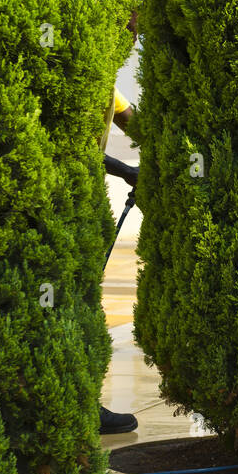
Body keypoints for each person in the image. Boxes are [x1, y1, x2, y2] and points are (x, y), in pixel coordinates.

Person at [97, 83, 141, 435]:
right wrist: (126, 171)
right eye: (133, 24)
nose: (136, 34)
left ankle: (80, 400)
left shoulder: (107, 85)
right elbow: (70, 145)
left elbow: (134, 123)